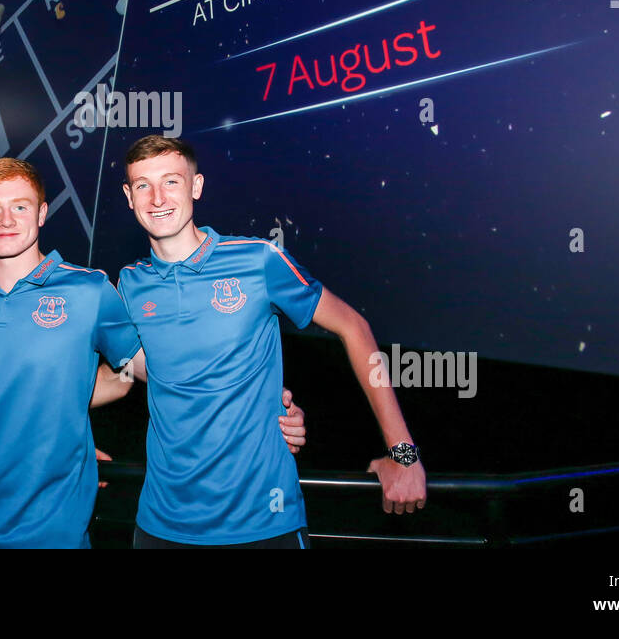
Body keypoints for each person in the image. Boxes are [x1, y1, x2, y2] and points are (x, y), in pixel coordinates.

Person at [0, 158, 307, 548]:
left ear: (41, 213)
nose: (6, 221)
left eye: (19, 207)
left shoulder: (90, 291)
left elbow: (142, 372)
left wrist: (263, 397)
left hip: (49, 532)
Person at [115, 135, 427, 548]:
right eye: (143, 185)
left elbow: (353, 327)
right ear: (129, 195)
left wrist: (402, 453)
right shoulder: (129, 284)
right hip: (161, 525)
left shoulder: (257, 260)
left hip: (264, 523)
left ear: (196, 186)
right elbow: (149, 374)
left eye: (171, 181)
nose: (157, 198)